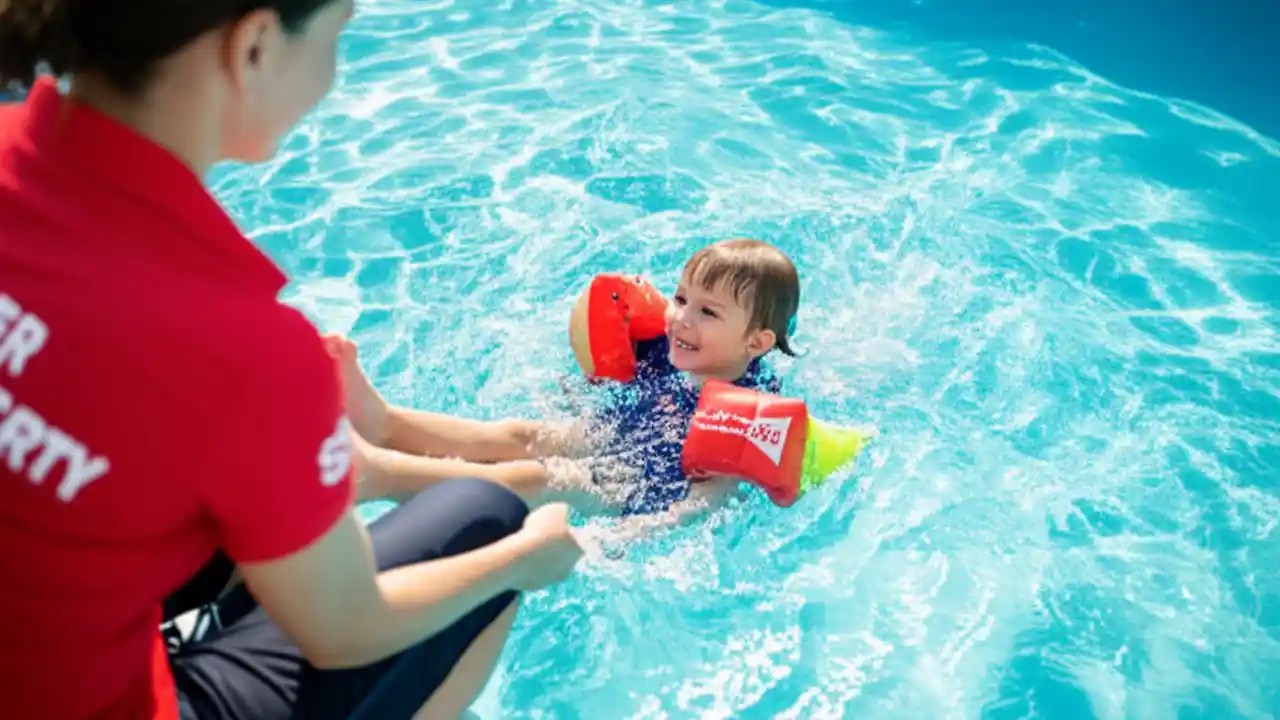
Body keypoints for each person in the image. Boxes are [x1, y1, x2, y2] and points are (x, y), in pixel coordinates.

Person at [0, 2, 584, 719]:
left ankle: (358, 477)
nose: (334, 73)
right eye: (337, 34)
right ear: (253, 47)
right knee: (485, 516)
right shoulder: (237, 338)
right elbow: (344, 630)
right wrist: (528, 556)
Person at [335, 238, 802, 522]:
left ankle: (380, 477)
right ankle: (383, 423)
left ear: (756, 343)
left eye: (707, 312)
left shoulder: (747, 410)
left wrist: (640, 531)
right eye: (680, 298)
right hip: (617, 438)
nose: (680, 318)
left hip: (637, 487)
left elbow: (712, 497)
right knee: (521, 434)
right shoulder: (666, 349)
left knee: (545, 478)